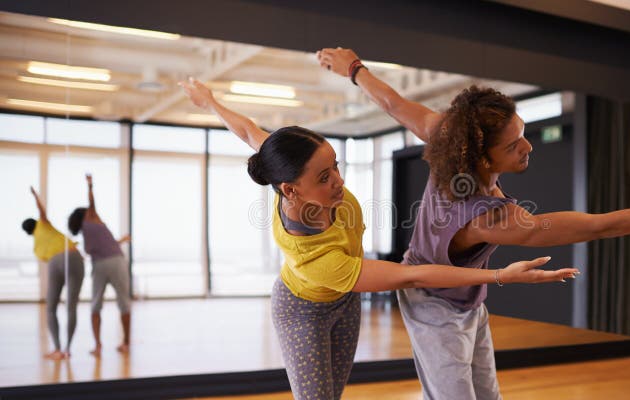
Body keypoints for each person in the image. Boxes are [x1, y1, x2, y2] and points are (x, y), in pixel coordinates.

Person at [317, 47, 630, 400]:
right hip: (434, 304)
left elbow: (394, 104)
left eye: (524, 135)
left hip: (466, 298)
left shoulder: (448, 140)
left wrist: (355, 68)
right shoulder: (493, 220)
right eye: (515, 144)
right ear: (481, 155)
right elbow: (602, 226)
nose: (528, 148)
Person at [178, 77, 579, 400]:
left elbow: (248, 130)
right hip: (302, 309)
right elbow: (411, 277)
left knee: (336, 391)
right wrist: (499, 277)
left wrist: (210, 101)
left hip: (344, 301)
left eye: (334, 166)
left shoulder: (286, 163)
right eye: (324, 177)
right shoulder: (315, 259)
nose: (338, 180)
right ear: (290, 190)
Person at [68, 174, 132, 356]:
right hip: (106, 264)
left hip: (110, 263)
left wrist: (90, 186)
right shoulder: (90, 227)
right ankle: (101, 345)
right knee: (100, 304)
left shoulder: (91, 223)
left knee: (116, 303)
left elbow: (92, 204)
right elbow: (107, 246)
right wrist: (90, 186)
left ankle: (118, 343)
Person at [22, 187, 85, 360]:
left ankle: (57, 349)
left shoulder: (36, 248)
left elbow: (49, 259)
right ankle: (67, 349)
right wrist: (35, 195)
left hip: (54, 262)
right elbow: (41, 211)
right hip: (73, 256)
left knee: (51, 308)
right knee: (71, 305)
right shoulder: (43, 224)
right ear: (35, 223)